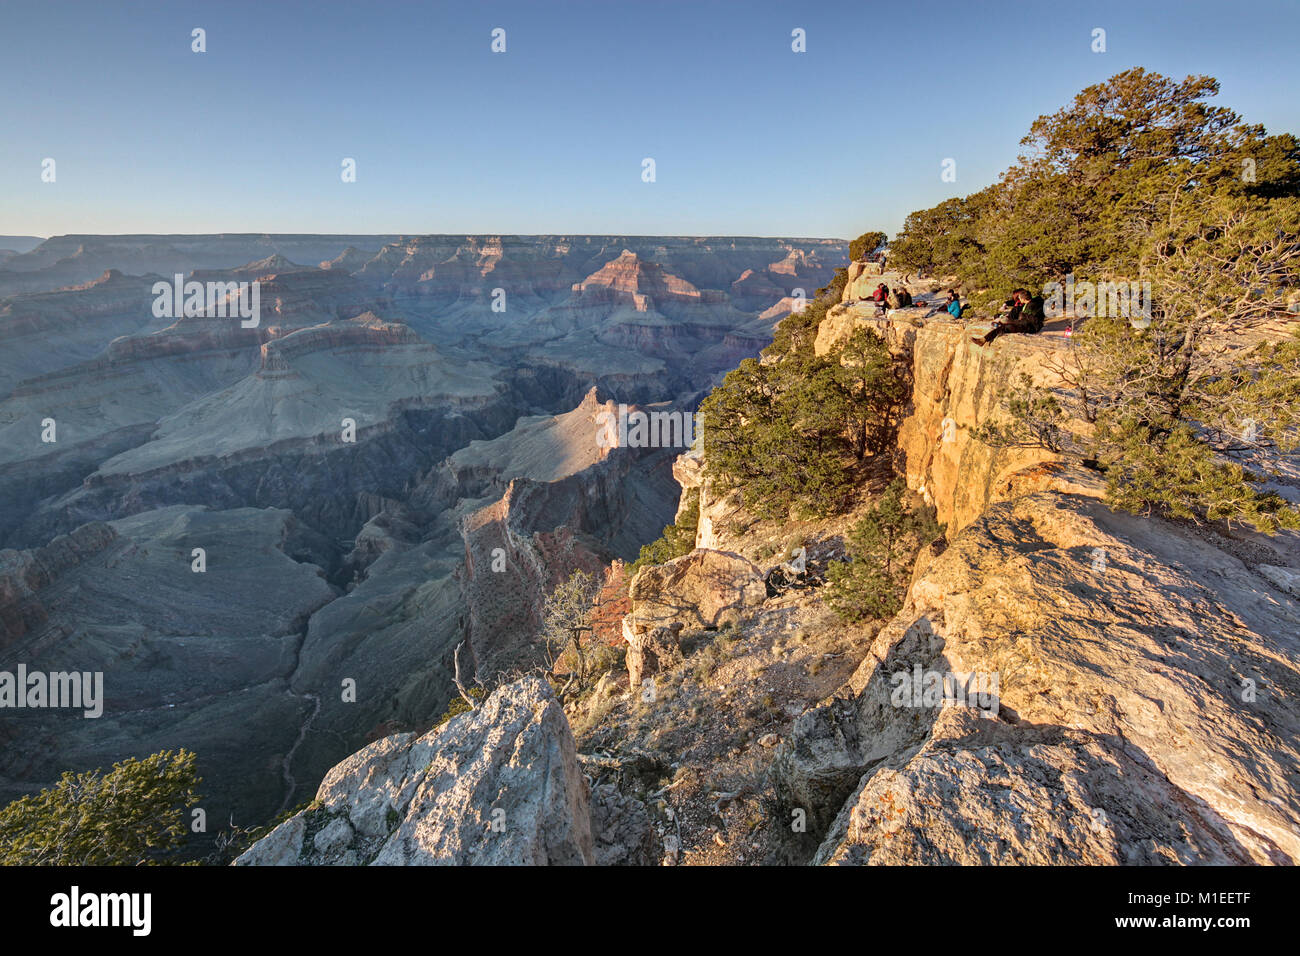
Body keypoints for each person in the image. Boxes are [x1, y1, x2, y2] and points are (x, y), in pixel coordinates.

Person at [974, 288, 1045, 344]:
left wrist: (1012, 321)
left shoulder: (1031, 306)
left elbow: (1029, 321)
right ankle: (983, 339)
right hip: (1027, 324)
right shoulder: (1031, 303)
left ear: (1023, 299)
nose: (1019, 300)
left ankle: (983, 340)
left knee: (1005, 327)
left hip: (1031, 327)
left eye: (1020, 298)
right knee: (1004, 324)